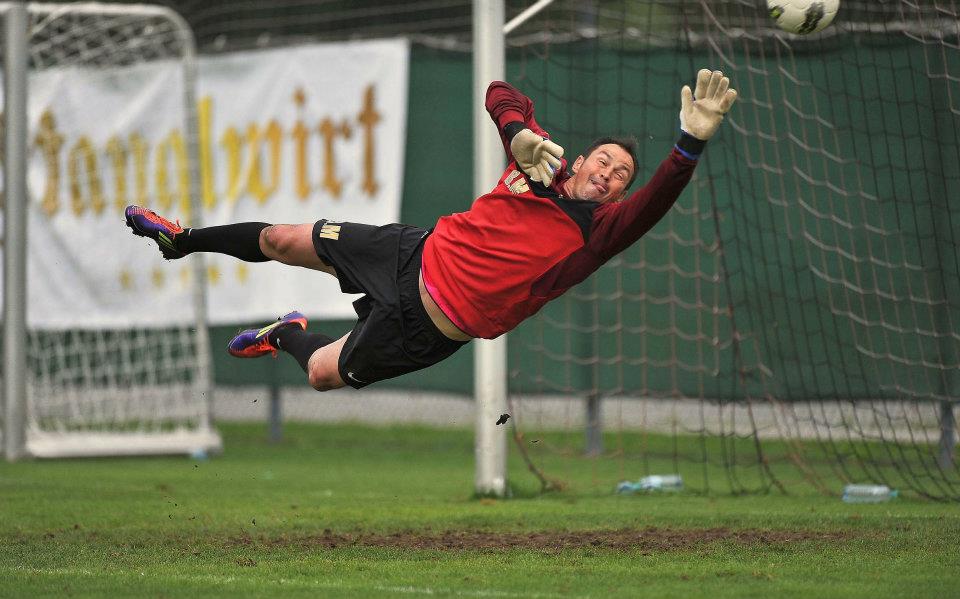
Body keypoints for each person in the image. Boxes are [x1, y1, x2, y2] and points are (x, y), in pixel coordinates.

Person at [125, 69, 737, 392]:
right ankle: (182, 240)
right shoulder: (538, 162)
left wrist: (690, 143)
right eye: (604, 161)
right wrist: (517, 130)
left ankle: (286, 334)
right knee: (283, 239)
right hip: (408, 252)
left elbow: (657, 201)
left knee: (320, 375)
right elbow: (500, 91)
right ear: (578, 163)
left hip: (430, 328)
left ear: (619, 194)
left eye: (622, 175)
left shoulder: (598, 234)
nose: (610, 173)